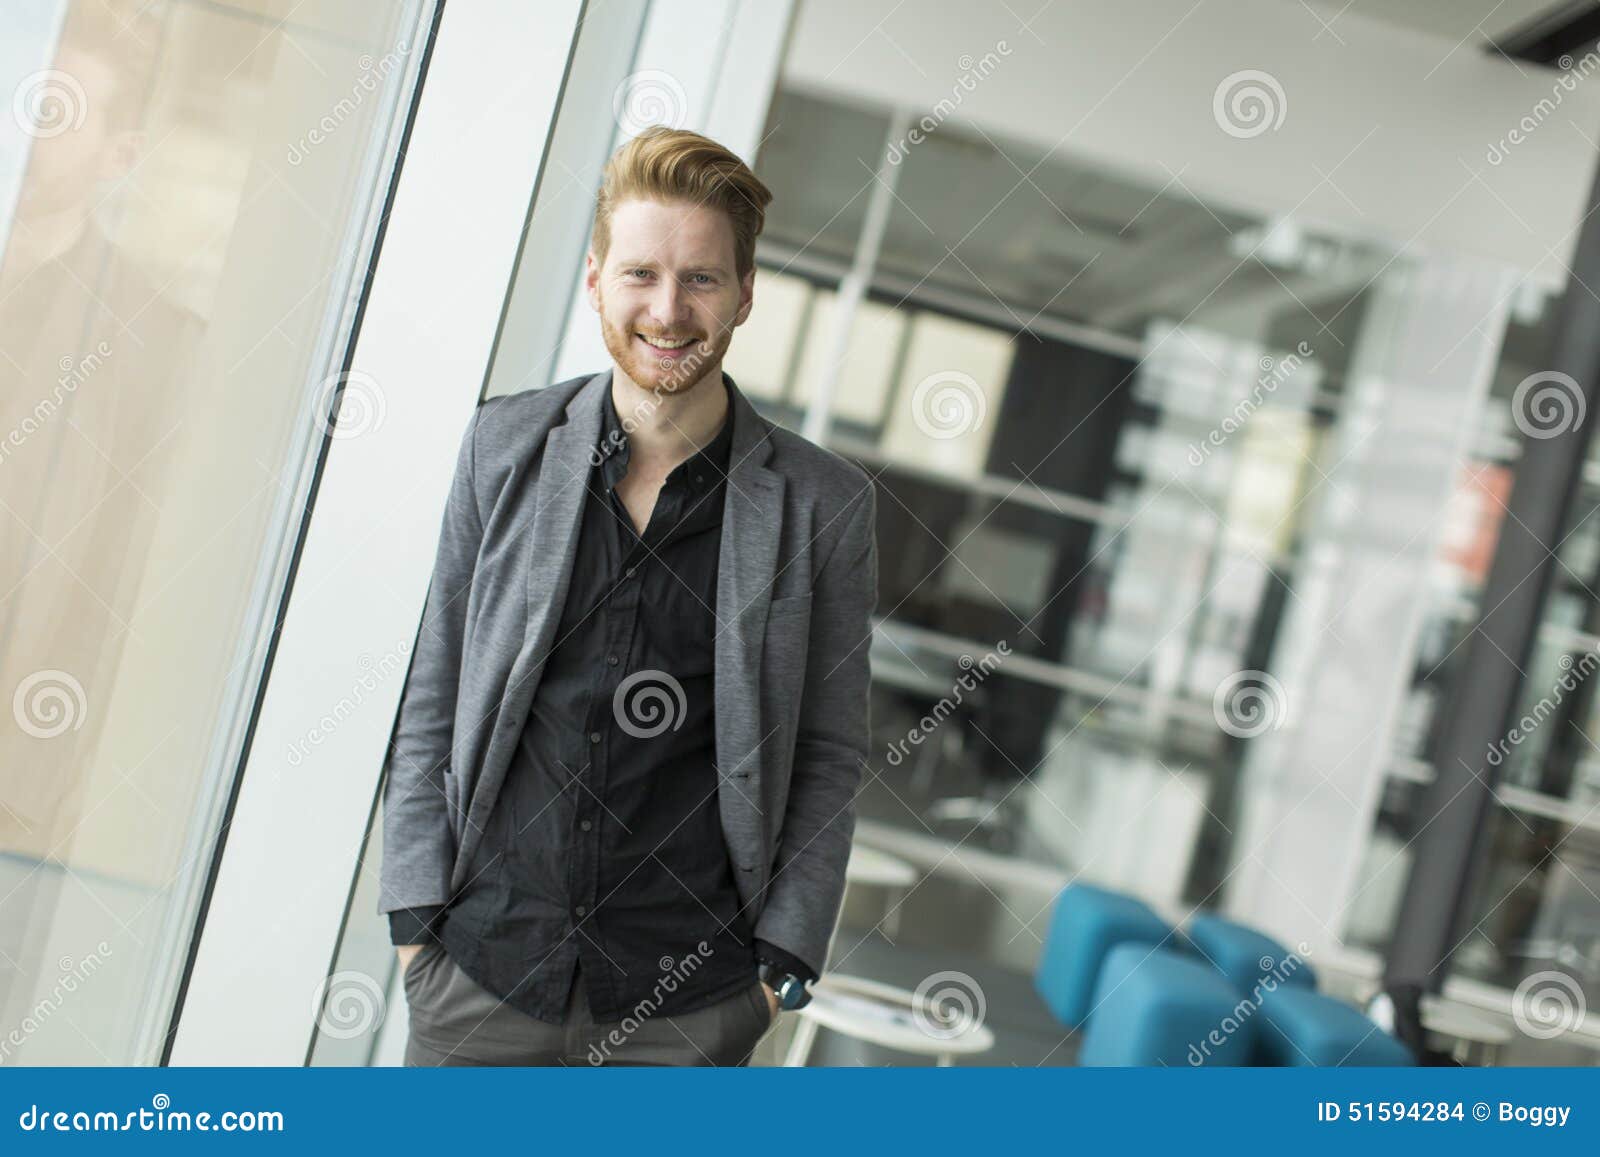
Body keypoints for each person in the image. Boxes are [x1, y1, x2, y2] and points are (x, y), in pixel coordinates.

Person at [379, 126, 879, 1065]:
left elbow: (828, 749)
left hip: (690, 1008)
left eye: (700, 278)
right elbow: (435, 685)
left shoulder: (825, 507)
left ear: (744, 295)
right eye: (642, 273)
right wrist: (415, 912)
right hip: (482, 973)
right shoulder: (504, 445)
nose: (668, 308)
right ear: (597, 279)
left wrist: (780, 963)